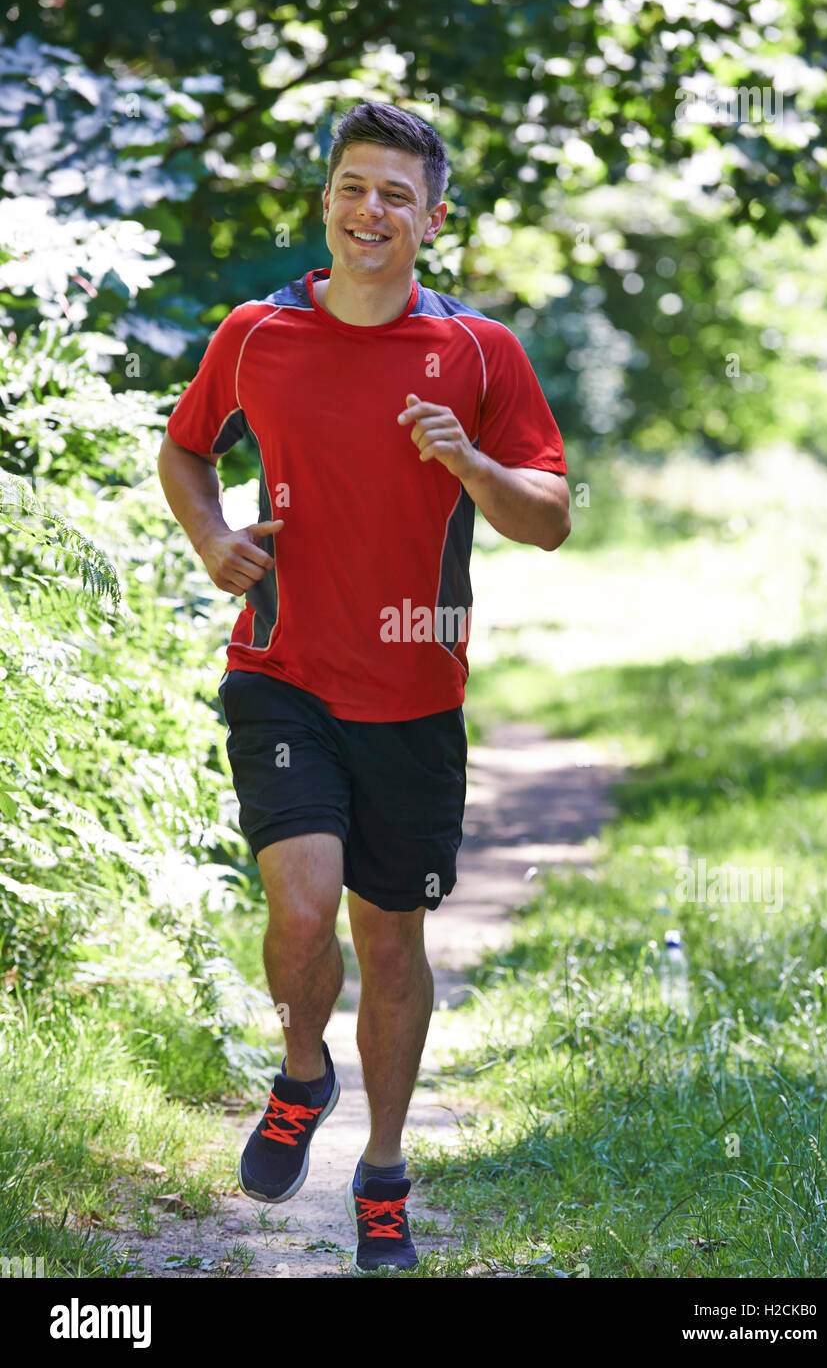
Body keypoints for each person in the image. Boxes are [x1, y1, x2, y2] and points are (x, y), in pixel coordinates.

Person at [157, 99, 570, 1274]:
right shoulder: (255, 333)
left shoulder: (483, 353)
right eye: (352, 186)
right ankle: (301, 1069)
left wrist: (471, 458)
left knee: (391, 944)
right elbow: (187, 447)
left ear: (433, 218)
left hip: (417, 695)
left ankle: (381, 1167)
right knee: (301, 903)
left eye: (396, 192)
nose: (370, 209)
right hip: (281, 669)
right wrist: (210, 538)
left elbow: (549, 519)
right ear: (327, 204)